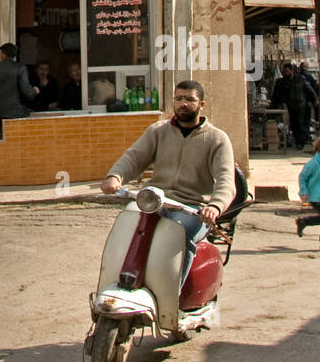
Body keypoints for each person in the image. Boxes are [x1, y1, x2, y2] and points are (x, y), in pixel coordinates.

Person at [100, 80, 235, 285]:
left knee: (179, 236)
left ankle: (172, 297)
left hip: (191, 207)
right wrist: (115, 176)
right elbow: (134, 157)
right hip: (155, 201)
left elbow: (226, 179)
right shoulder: (158, 130)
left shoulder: (217, 139)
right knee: (127, 228)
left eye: (190, 99)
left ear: (202, 104)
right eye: (178, 98)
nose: (183, 104)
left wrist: (215, 206)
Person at [0, 43, 38, 139]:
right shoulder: (20, 68)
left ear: (3, 54)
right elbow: (27, 93)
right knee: (28, 111)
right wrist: (35, 91)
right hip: (13, 110)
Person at [271, 63, 317, 151]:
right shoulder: (282, 82)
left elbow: (309, 89)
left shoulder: (300, 79)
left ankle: (301, 142)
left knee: (300, 124)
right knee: (294, 124)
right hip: (290, 106)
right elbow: (276, 95)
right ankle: (298, 141)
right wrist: (274, 104)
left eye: (287, 72)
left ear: (291, 71)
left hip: (300, 105)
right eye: (284, 72)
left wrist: (315, 99)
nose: (285, 74)